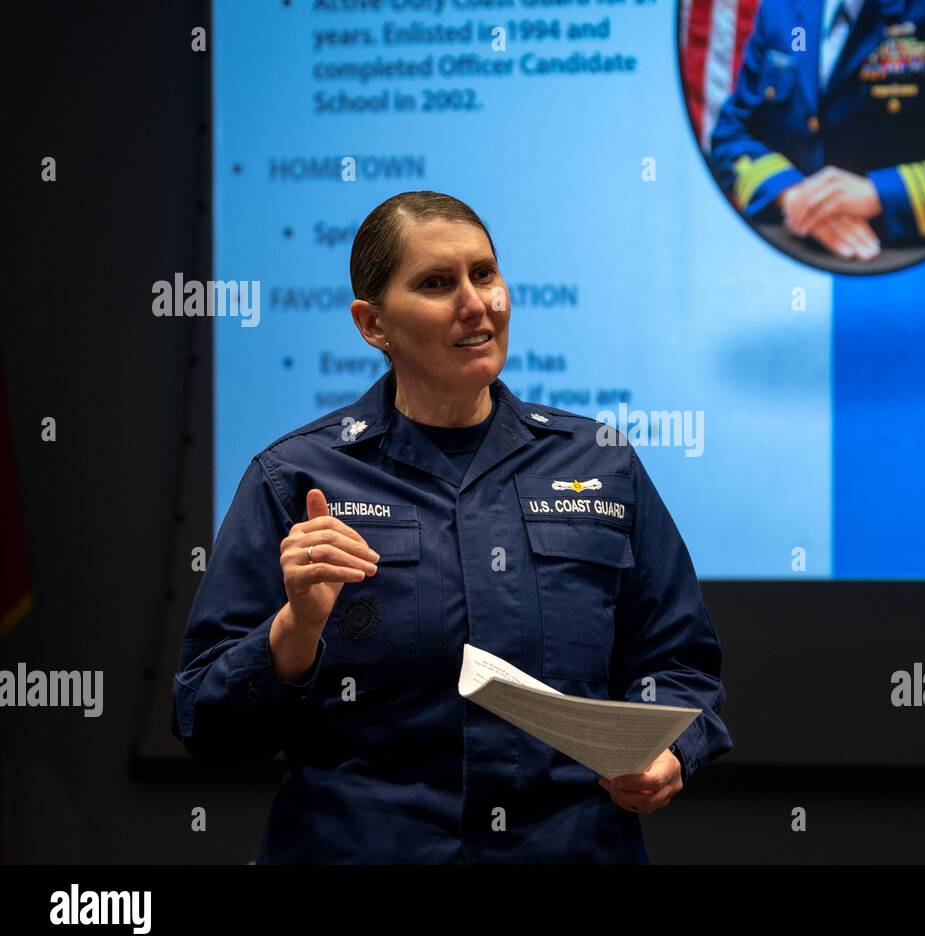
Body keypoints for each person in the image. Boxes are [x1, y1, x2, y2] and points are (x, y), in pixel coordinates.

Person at [172, 191, 733, 863]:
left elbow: (677, 662)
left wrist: (670, 752)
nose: (476, 303)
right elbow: (206, 721)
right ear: (372, 324)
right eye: (438, 284)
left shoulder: (600, 462)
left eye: (485, 274)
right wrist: (293, 634)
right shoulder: (296, 479)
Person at [708, 0, 925, 261]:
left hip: (896, 259)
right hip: (785, 252)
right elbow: (733, 133)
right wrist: (791, 195)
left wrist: (881, 194)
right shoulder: (783, 6)